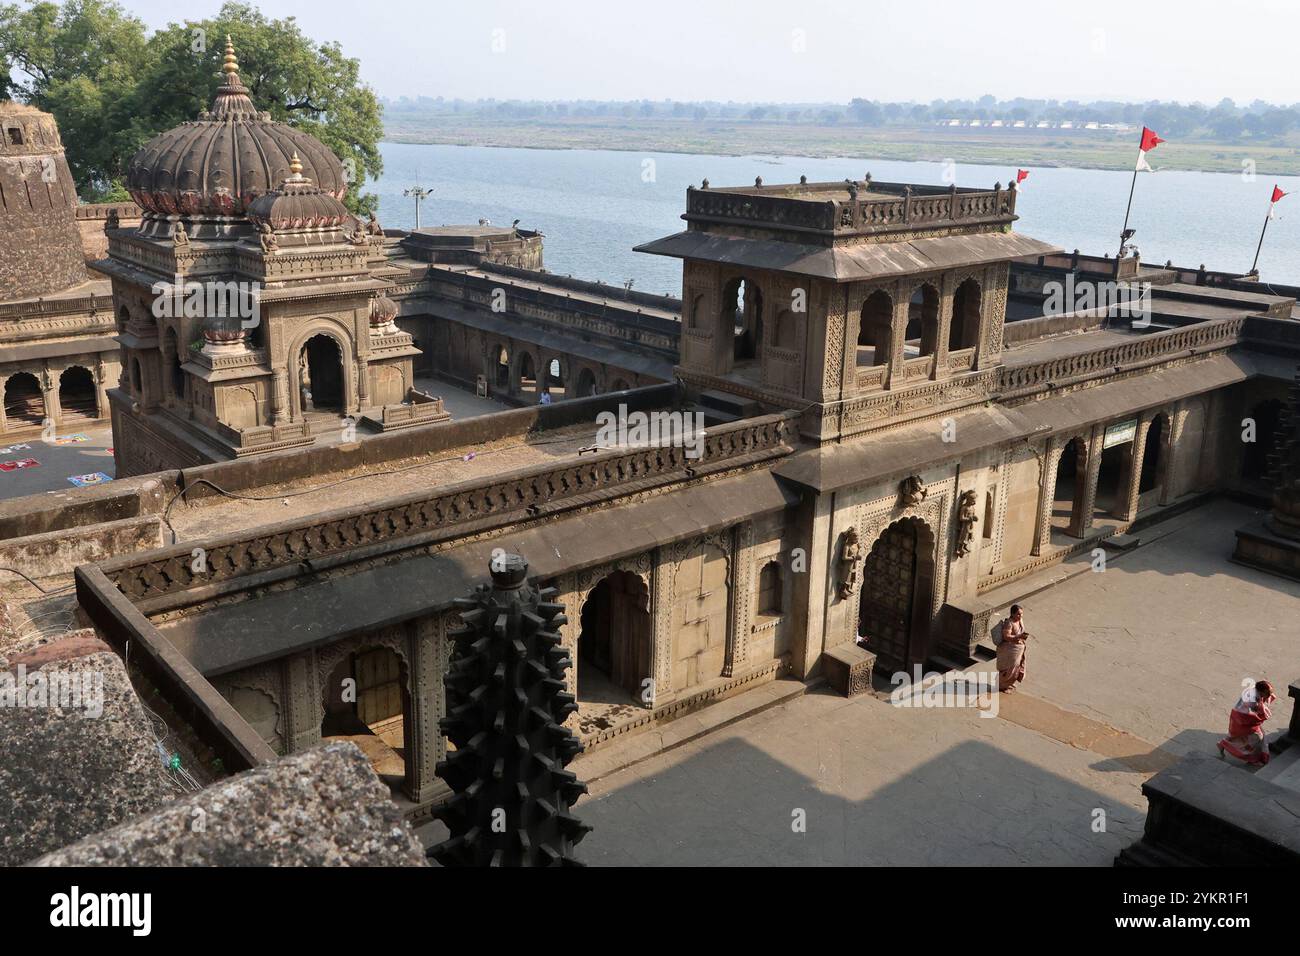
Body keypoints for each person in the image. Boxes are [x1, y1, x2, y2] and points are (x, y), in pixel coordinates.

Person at [1218, 680, 1276, 765]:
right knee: (1257, 738)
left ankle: (1223, 744)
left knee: (1237, 736)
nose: (1268, 696)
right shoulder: (1252, 700)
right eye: (1267, 694)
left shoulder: (1255, 690)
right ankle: (1252, 759)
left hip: (1239, 718)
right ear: (1261, 691)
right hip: (1243, 720)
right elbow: (1255, 712)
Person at [996, 604, 1028, 693]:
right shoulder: (1009, 623)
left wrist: (1021, 637)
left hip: (1018, 650)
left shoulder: (1020, 620)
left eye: (1021, 614)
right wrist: (1017, 637)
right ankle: (1001, 686)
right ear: (1012, 614)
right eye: (1018, 614)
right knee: (1008, 669)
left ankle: (1009, 684)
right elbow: (1006, 636)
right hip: (1009, 650)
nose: (1020, 616)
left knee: (1016, 668)